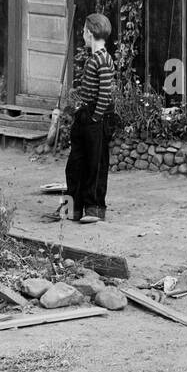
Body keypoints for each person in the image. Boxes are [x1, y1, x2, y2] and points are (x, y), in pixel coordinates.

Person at [63, 13, 115, 223]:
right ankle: (72, 208)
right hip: (84, 114)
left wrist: (95, 117)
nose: (82, 34)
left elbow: (105, 93)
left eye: (84, 31)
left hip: (96, 117)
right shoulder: (93, 59)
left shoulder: (103, 59)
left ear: (90, 33)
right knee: (75, 164)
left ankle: (94, 209)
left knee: (95, 164)